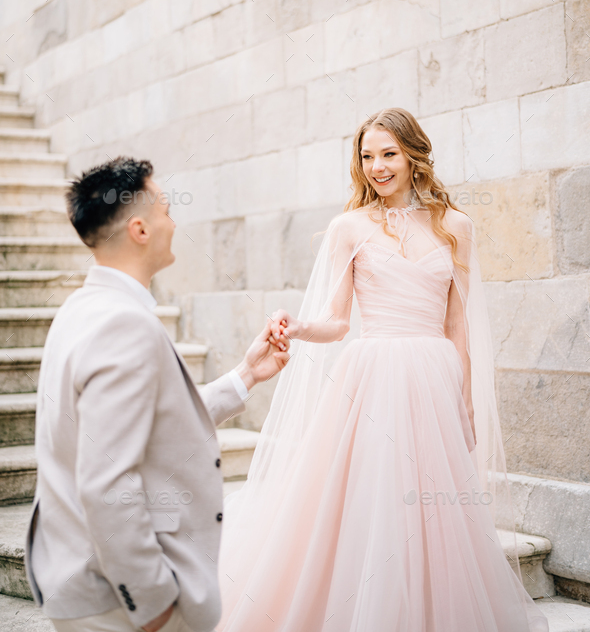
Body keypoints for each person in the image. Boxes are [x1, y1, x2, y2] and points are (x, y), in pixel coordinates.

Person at [216, 108, 549, 632]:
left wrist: (464, 400)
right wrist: (299, 327)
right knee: (369, 500)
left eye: (388, 154)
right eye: (367, 156)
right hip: (370, 376)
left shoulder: (456, 225)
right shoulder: (348, 227)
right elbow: (336, 320)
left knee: (433, 507)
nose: (377, 166)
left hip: (433, 378)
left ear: (414, 155)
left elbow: (457, 327)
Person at [25, 157, 290, 632]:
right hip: (118, 604)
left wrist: (245, 375)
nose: (174, 222)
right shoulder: (124, 323)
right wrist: (153, 606)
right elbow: (107, 483)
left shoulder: (83, 308)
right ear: (140, 229)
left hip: (88, 586)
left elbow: (153, 427)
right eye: (166, 210)